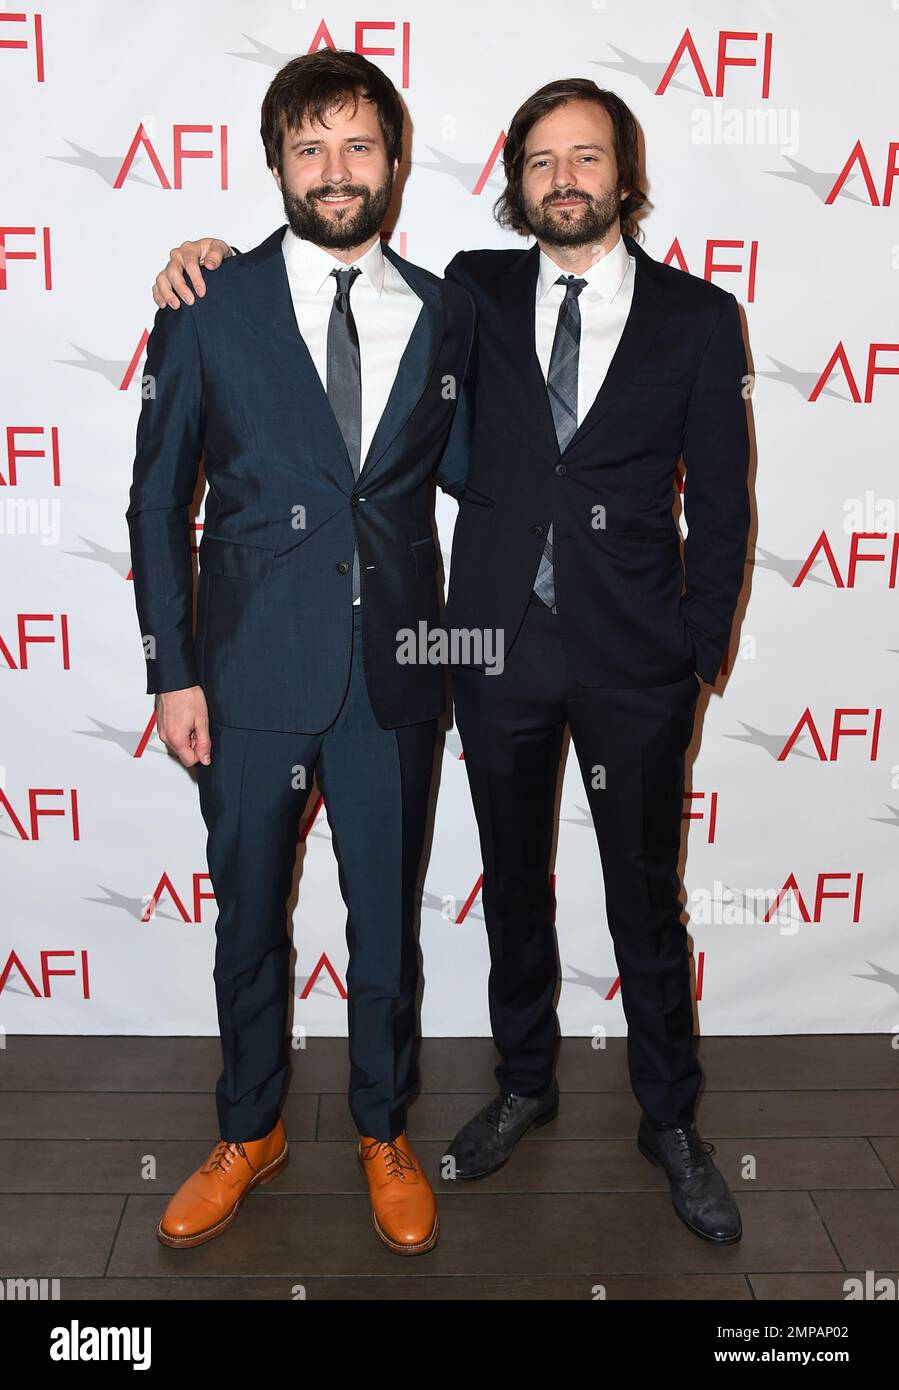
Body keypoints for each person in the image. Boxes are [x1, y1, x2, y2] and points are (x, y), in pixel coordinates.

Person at [149, 77, 751, 1245]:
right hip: (477, 651)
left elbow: (720, 503)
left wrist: (695, 647)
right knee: (507, 887)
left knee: (642, 895)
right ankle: (513, 1085)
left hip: (625, 658)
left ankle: (666, 1119)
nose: (563, 179)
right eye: (539, 161)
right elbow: (275, 349)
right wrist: (199, 253)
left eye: (585, 158)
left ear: (622, 176)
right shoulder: (471, 289)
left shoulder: (684, 315)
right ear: (513, 184)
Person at [126, 48, 475, 1256]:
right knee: (247, 921)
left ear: (394, 160)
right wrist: (172, 668)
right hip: (248, 674)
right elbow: (154, 499)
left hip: (392, 678)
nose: (335, 171)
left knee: (384, 919)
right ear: (277, 161)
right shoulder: (205, 305)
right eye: (310, 147)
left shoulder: (447, 312)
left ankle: (381, 1127)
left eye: (357, 145)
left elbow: (491, 477)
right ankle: (251, 1126)